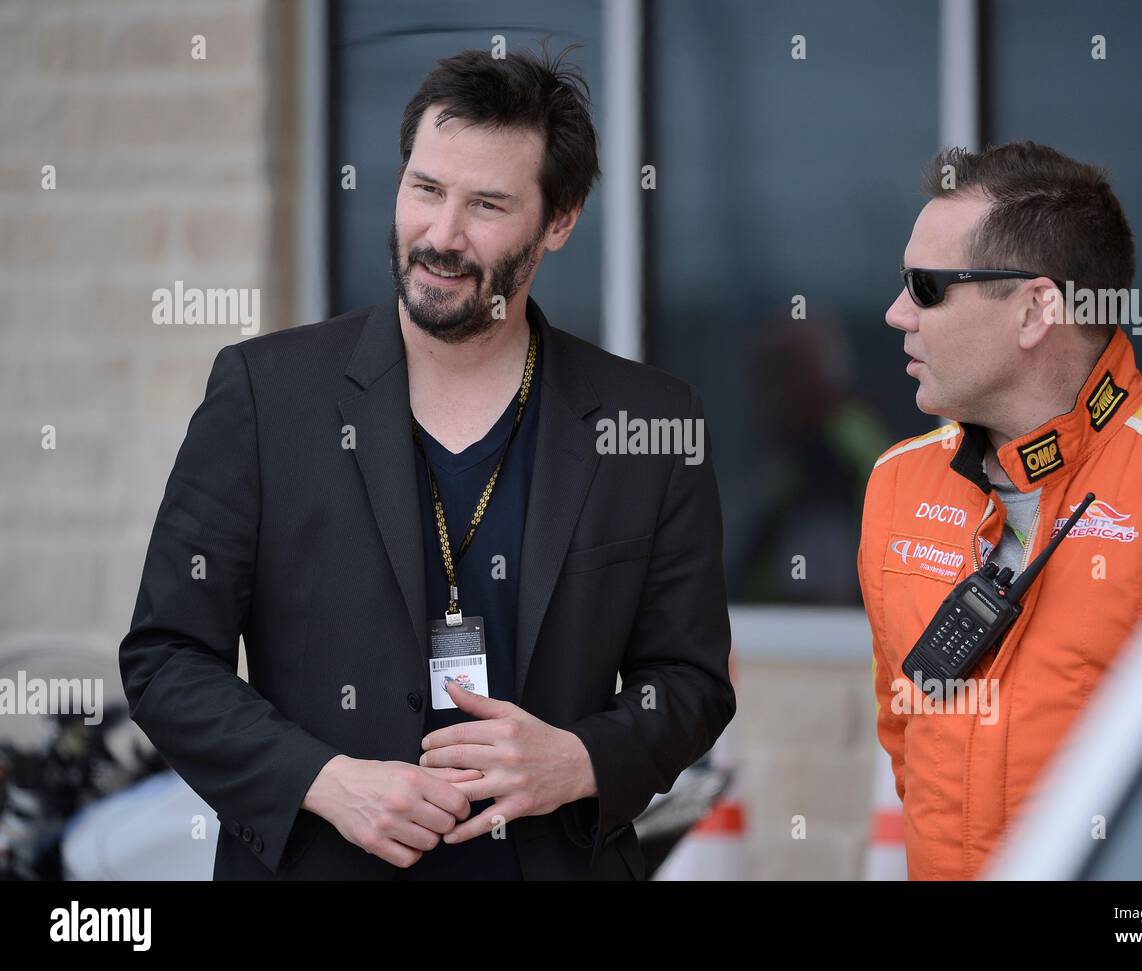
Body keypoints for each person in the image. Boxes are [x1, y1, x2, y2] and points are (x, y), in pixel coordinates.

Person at [119, 47, 734, 881]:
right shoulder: (266, 394)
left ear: (560, 220)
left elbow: (689, 679)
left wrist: (580, 760)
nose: (442, 235)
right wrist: (325, 780)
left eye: (486, 204)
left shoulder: (650, 419)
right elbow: (166, 658)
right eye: (425, 189)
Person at [858, 141, 1142, 879]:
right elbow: (906, 745)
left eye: (925, 287)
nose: (895, 314)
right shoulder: (897, 485)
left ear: (1037, 308)